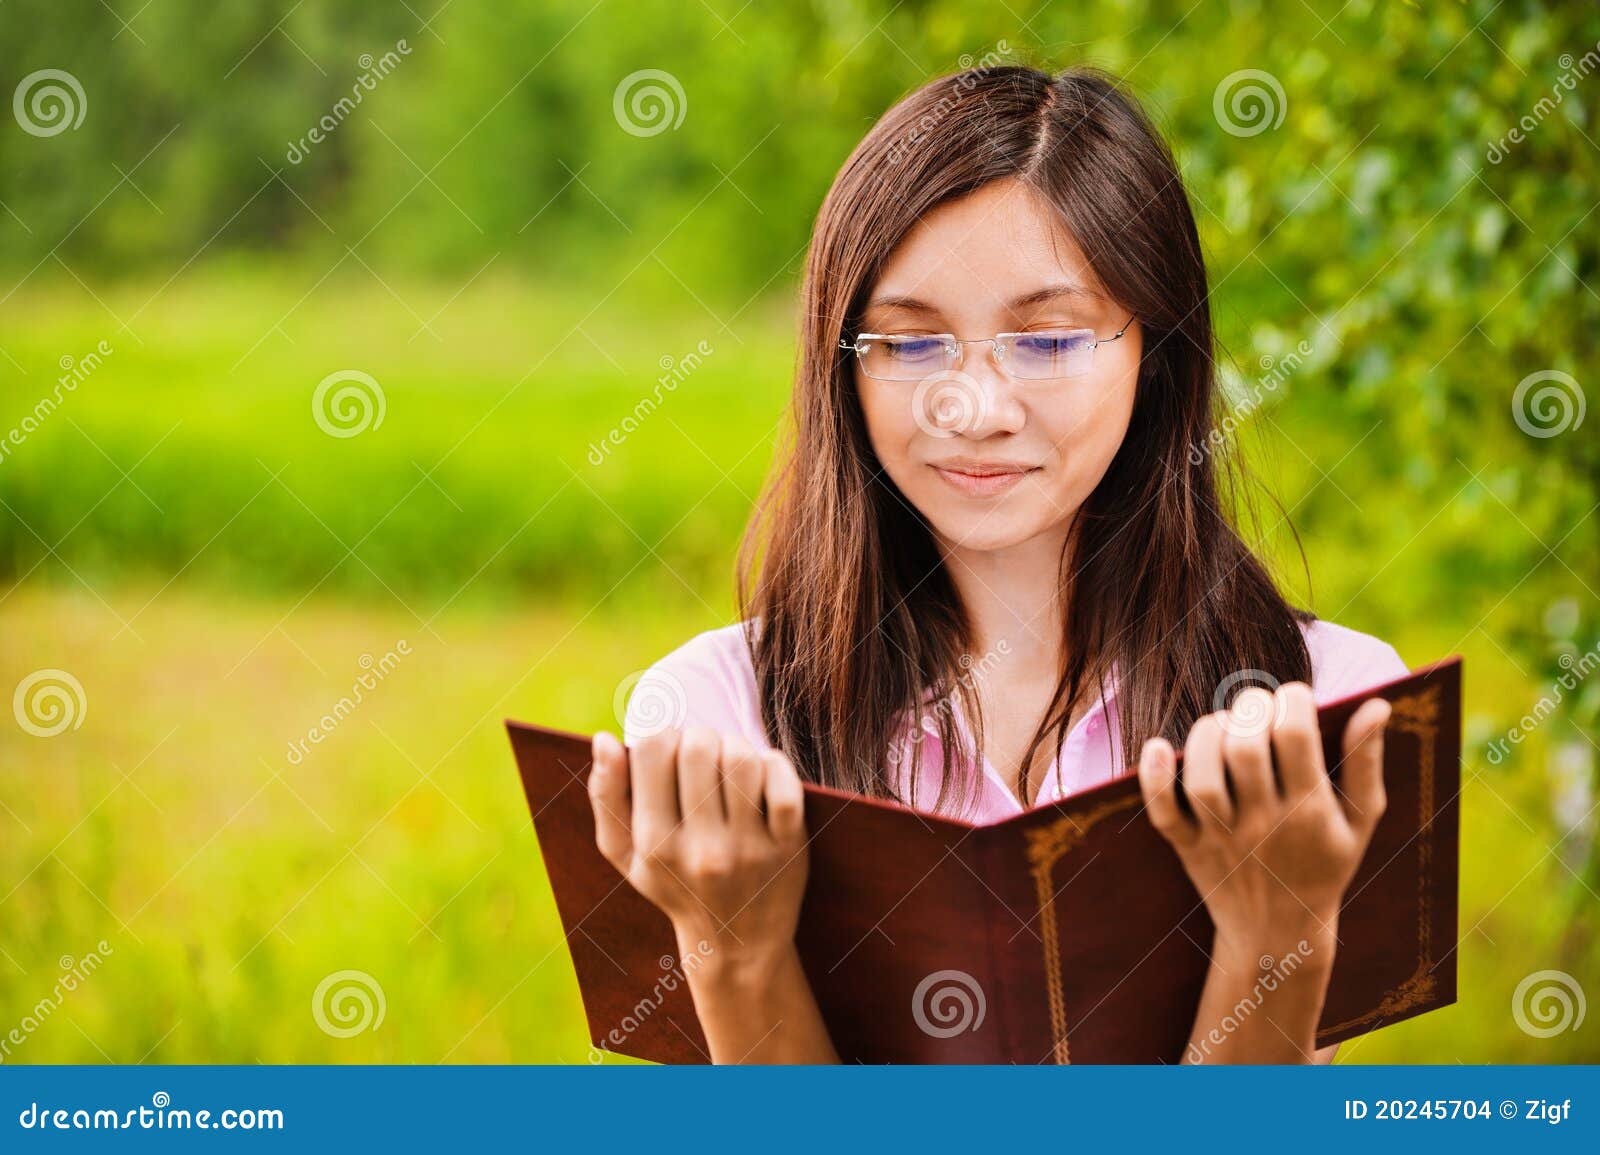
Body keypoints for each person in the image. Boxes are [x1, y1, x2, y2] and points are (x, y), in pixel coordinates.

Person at [586, 65, 1405, 1064]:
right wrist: (732, 956)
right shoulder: (716, 723)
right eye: (910, 344)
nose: (974, 410)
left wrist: (1281, 937)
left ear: (1159, 349)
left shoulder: (1329, 707)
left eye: (1050, 337)